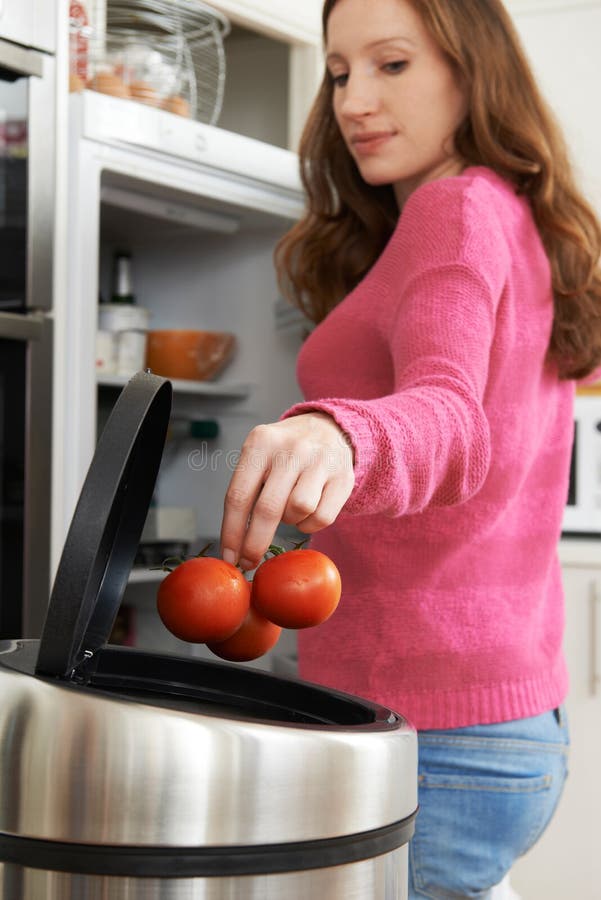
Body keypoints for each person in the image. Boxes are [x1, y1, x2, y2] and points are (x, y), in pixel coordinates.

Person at [219, 0, 601, 897]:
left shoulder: (453, 211)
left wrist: (337, 428)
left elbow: (447, 413)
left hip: (435, 735)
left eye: (392, 65)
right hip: (496, 718)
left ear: (472, 70)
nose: (354, 100)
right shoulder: (510, 216)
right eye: (341, 71)